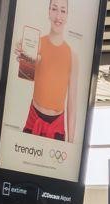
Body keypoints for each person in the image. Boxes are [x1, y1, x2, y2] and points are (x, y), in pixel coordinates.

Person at [21, 0, 74, 143]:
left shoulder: (72, 55)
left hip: (57, 127)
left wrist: (71, 145)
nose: (58, 16)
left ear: (67, 15)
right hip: (33, 120)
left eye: (63, 11)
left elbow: (72, 104)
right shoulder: (37, 44)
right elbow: (25, 74)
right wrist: (21, 55)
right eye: (54, 9)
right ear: (48, 12)